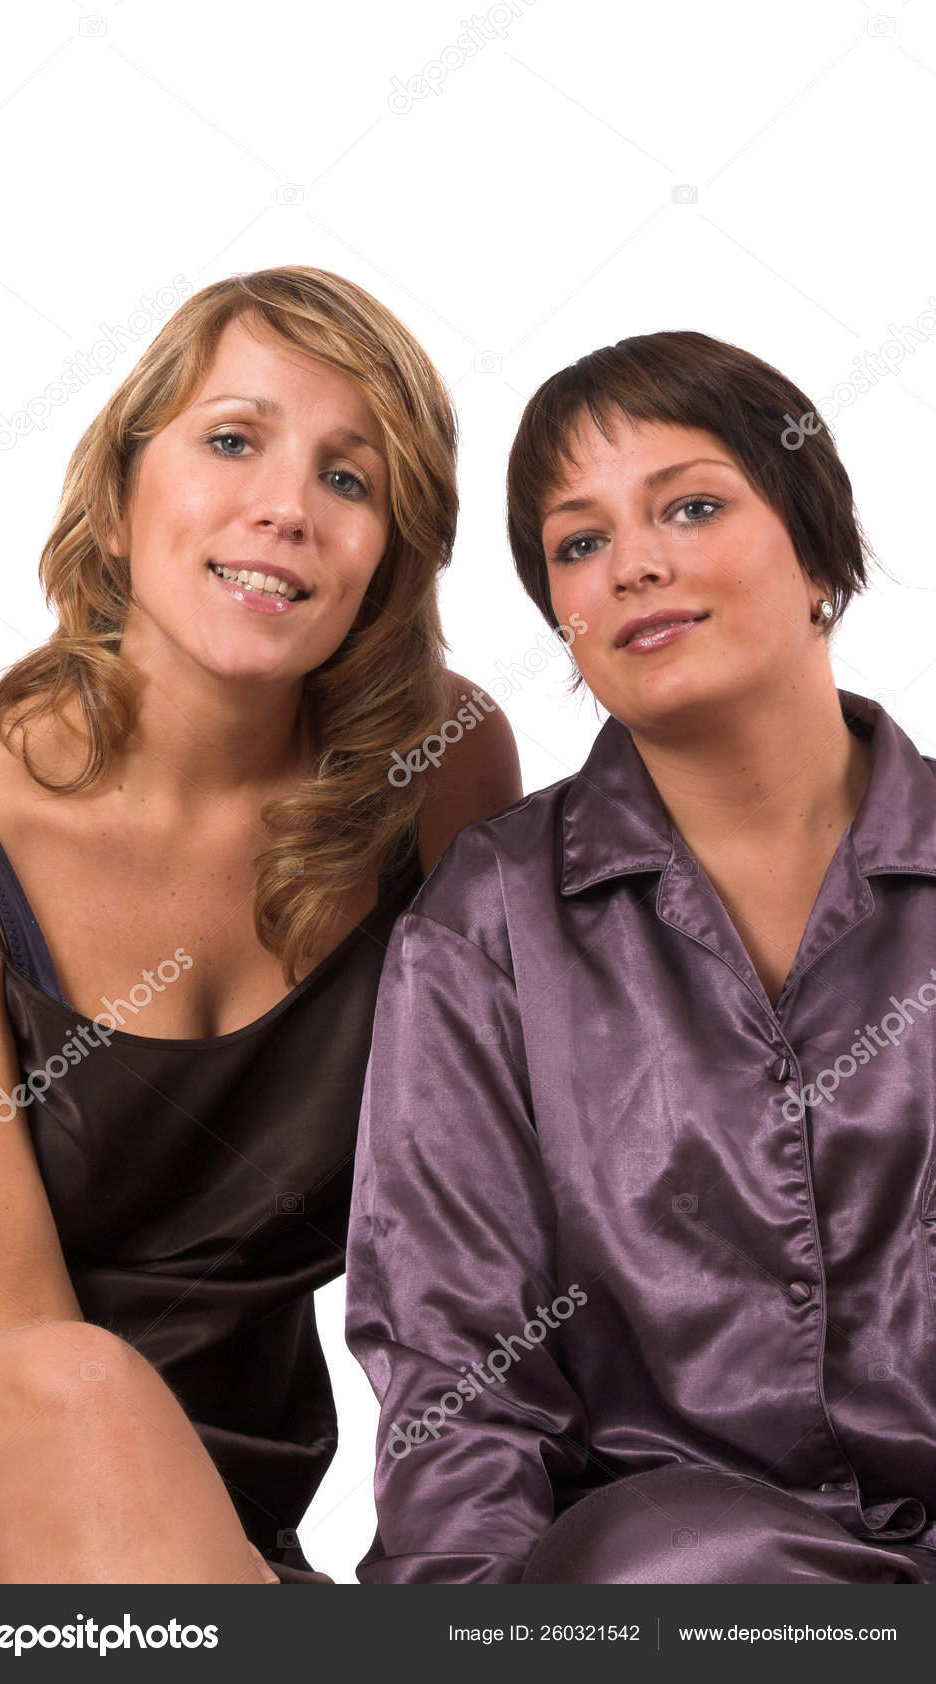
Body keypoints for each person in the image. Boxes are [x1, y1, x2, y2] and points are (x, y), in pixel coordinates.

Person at [0, 266, 522, 1585]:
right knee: (73, 1390)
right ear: (117, 503)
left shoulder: (442, 768)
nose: (284, 507)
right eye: (233, 440)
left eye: (349, 480)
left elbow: (490, 1211)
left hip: (210, 1547)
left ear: (389, 555)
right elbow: (24, 1379)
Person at [344, 330, 936, 1585]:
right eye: (581, 542)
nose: (637, 566)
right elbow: (458, 1369)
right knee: (685, 1558)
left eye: (693, 506)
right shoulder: (485, 922)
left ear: (819, 548)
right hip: (667, 1595)